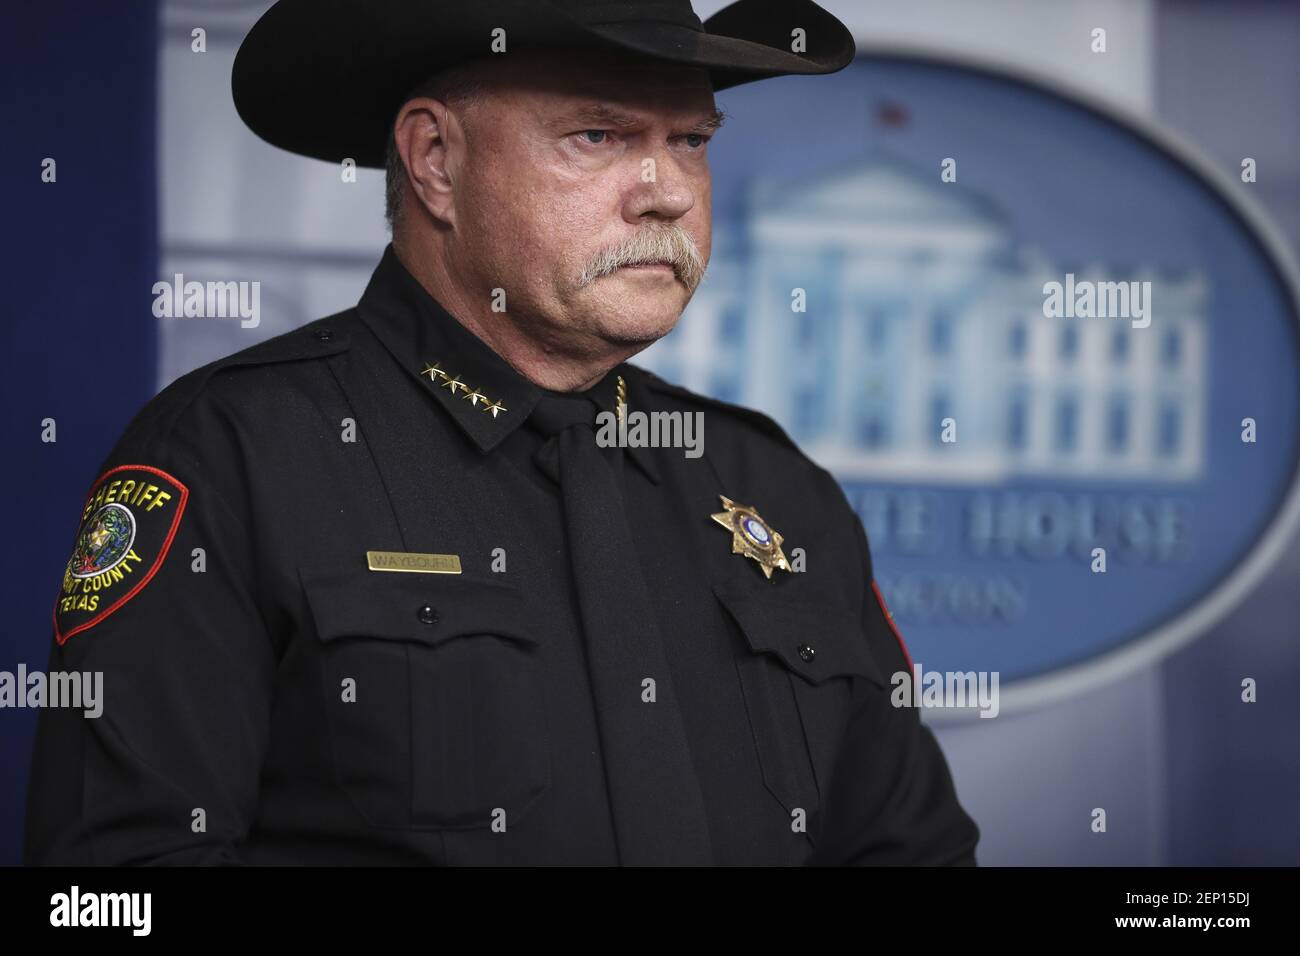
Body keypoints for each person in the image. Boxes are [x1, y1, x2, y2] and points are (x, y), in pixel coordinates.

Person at [24, 0, 979, 865]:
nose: (669, 192)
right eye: (598, 134)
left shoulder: (771, 486)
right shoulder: (229, 456)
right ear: (436, 161)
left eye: (690, 139)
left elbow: (912, 856)